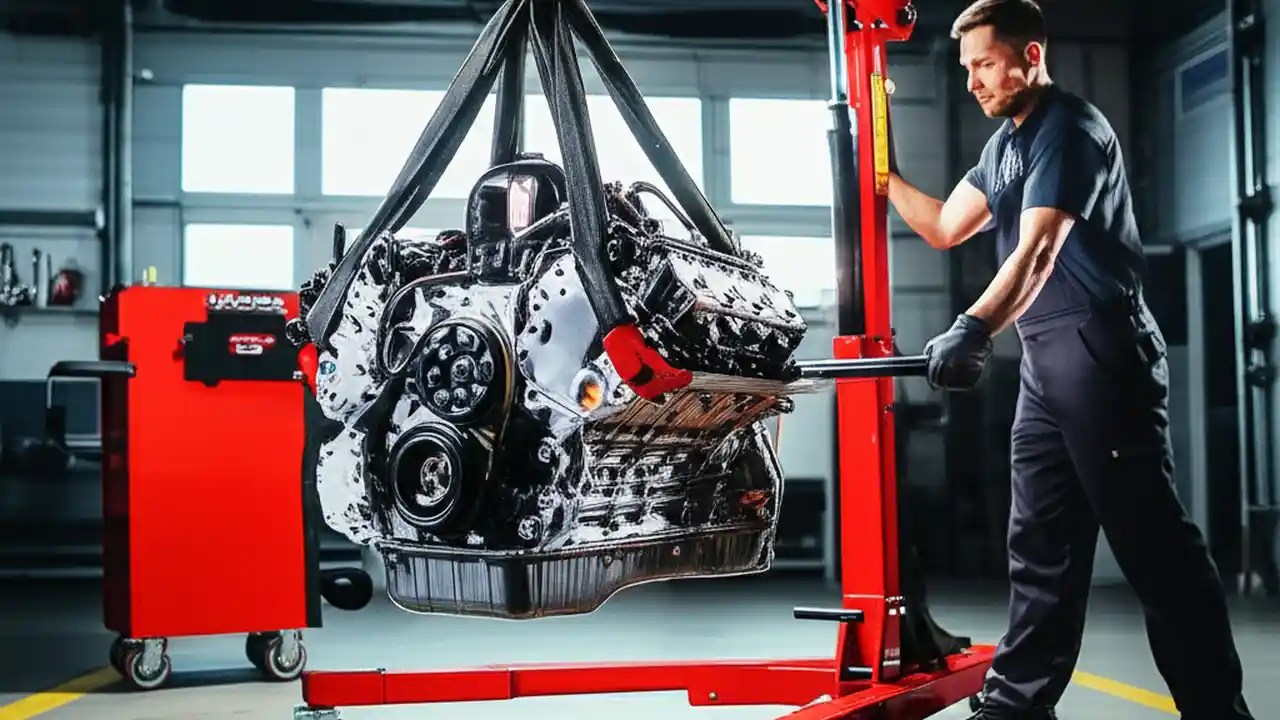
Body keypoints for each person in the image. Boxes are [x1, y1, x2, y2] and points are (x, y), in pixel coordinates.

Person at [885, 1, 1256, 718]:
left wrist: (972, 326)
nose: (973, 84)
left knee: (1153, 548)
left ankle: (1217, 708)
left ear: (1030, 55)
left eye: (985, 65)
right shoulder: (1001, 150)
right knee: (1040, 545)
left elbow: (1038, 250)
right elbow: (941, 227)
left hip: (1101, 353)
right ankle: (1017, 706)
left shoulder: (1070, 128)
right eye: (966, 70)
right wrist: (883, 169)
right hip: (1044, 365)